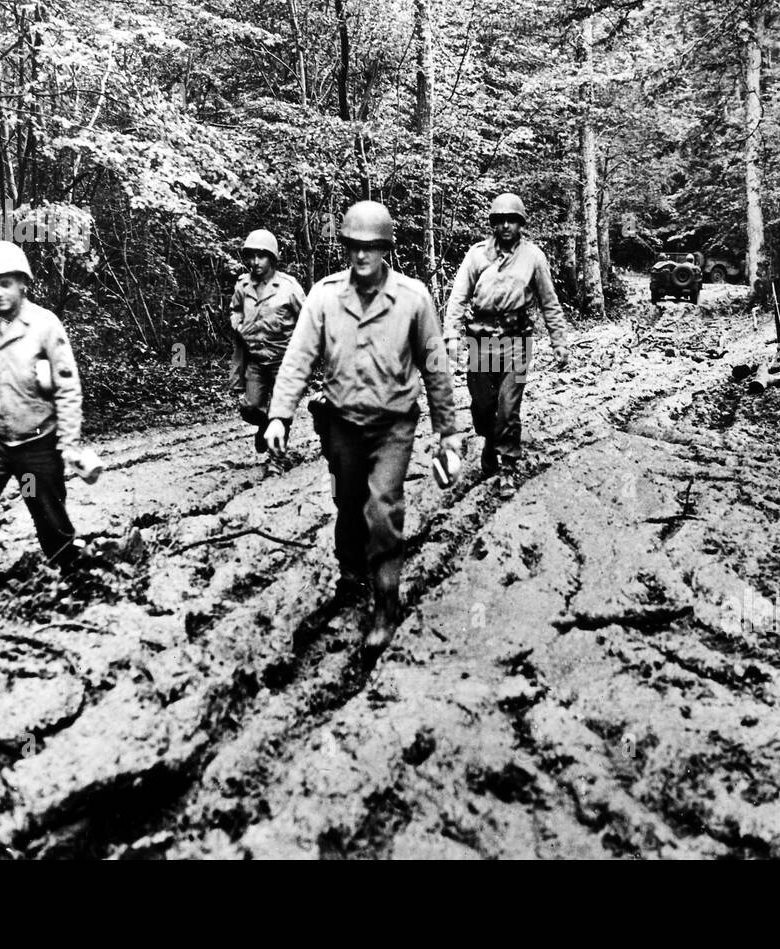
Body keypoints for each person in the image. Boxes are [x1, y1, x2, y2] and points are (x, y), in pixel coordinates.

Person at [264, 201, 463, 651]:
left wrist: (446, 432)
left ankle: (387, 601)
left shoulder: (413, 299)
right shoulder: (324, 296)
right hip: (341, 423)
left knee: (383, 507)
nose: (361, 256)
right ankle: (352, 578)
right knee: (348, 505)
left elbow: (435, 366)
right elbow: (298, 358)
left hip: (393, 424)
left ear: (385, 248)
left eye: (371, 247)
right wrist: (279, 415)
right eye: (354, 246)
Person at [0, 240, 88, 618]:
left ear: (23, 283)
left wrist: (70, 442)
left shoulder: (44, 325)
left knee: (44, 511)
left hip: (34, 443)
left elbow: (68, 386)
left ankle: (69, 575)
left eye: (6, 283)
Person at [443, 192, 569, 496]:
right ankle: (489, 441)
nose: (506, 226)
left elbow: (549, 301)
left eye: (512, 220)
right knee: (483, 406)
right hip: (481, 341)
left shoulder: (534, 257)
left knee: (509, 406)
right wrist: (450, 336)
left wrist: (559, 341)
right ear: (492, 224)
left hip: (517, 341)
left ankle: (509, 464)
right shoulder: (476, 255)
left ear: (521, 223)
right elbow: (458, 296)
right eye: (499, 220)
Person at [229, 228, 305, 457]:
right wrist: (238, 323)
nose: (255, 262)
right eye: (251, 256)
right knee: (250, 408)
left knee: (282, 410)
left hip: (284, 360)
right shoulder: (243, 286)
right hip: (256, 359)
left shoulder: (289, 287)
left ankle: (277, 458)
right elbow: (235, 310)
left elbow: (309, 319)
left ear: (272, 258)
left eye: (260, 256)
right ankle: (265, 424)